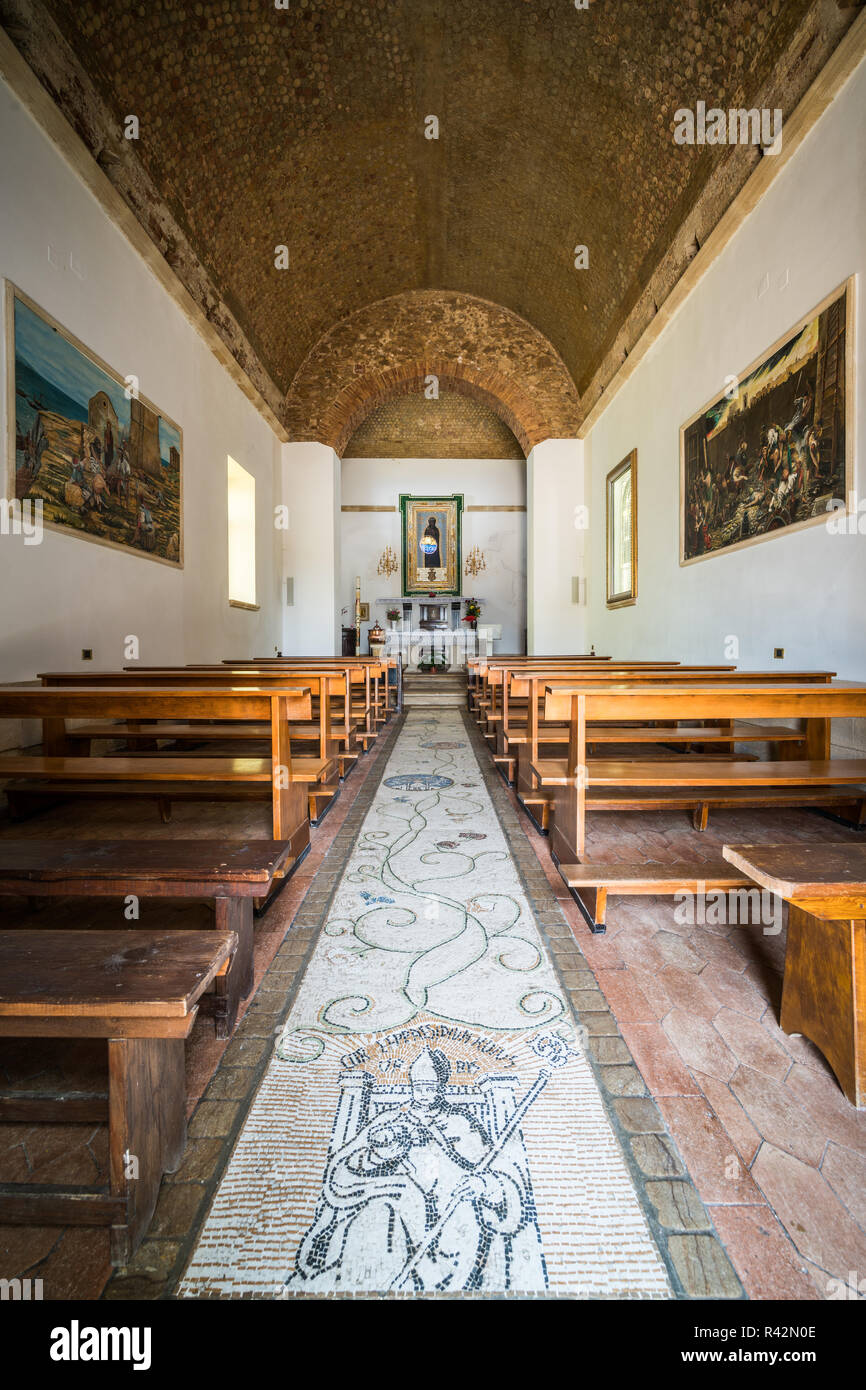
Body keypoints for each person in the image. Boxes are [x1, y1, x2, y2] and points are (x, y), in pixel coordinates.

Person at [286, 1047, 542, 1292]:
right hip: (396, 1208)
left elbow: (500, 1169)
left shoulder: (461, 1122)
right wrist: (376, 1156)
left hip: (450, 1214)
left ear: (441, 1087)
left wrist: (485, 1185)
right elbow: (341, 1172)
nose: (424, 1094)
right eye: (418, 1087)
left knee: (466, 1224)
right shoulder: (390, 1120)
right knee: (375, 1218)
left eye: (430, 1088)